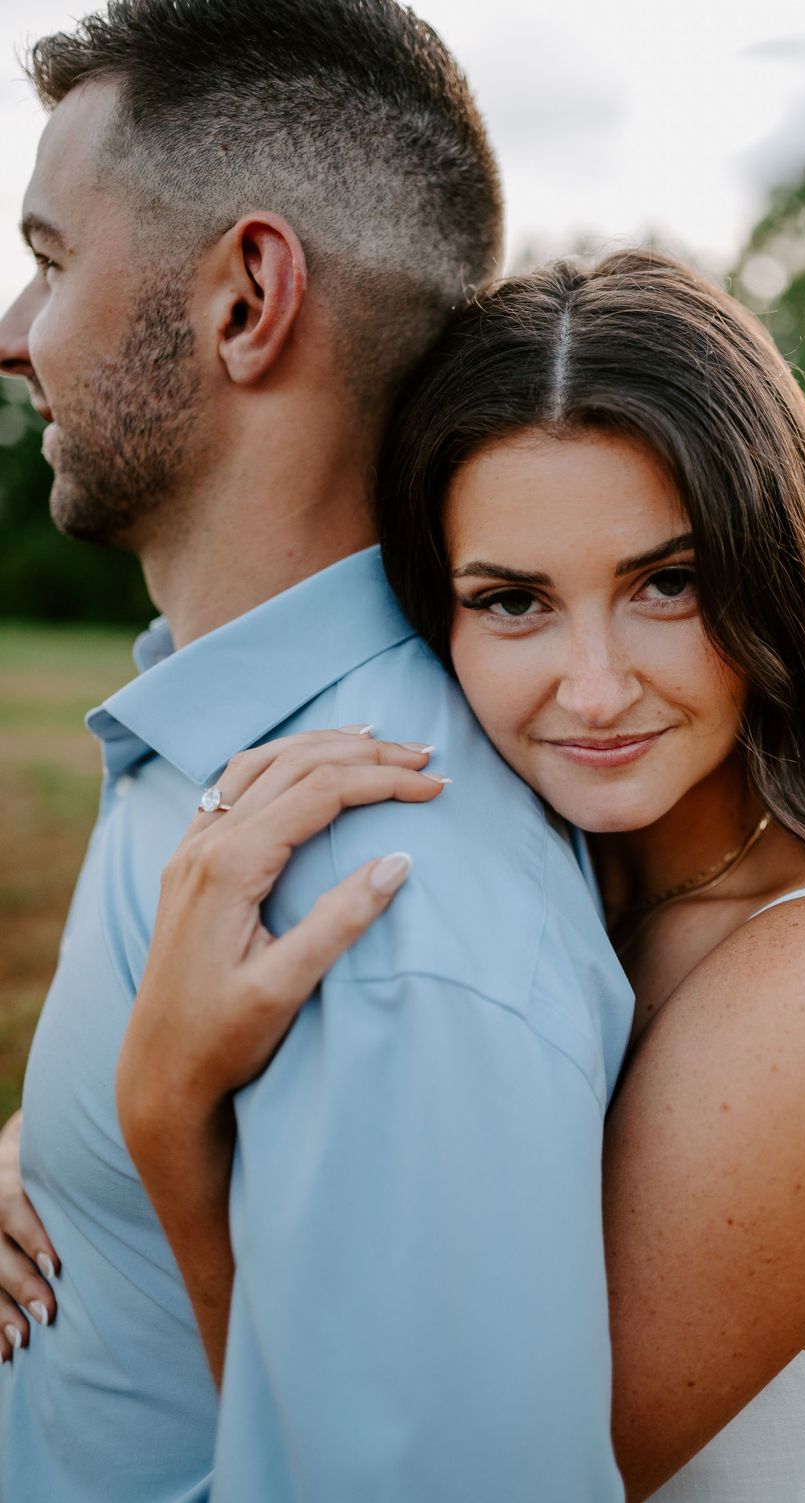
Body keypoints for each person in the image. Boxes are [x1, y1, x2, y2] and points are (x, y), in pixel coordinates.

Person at [58, 251, 805, 1502]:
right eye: (512, 602)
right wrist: (55, 1154)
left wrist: (166, 1124)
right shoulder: (577, 868)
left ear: (773, 567)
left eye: (667, 583)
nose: (595, 687)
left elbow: (403, 1475)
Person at [0, 4, 636, 1501]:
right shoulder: (222, 736)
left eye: (49, 259)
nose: (15, 334)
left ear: (247, 298)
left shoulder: (381, 898)